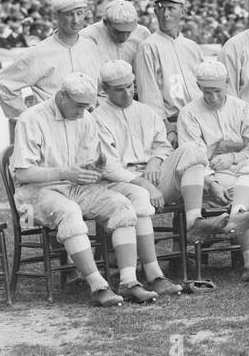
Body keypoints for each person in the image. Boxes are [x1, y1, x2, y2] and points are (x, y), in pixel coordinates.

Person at [9, 72, 161, 306]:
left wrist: (94, 170)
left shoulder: (85, 118)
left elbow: (86, 164)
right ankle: (98, 286)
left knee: (121, 205)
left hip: (74, 186)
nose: (82, 112)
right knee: (69, 211)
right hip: (33, 195)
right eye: (78, 106)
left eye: (86, 107)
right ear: (61, 96)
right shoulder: (31, 118)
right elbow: (22, 173)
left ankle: (129, 283)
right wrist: (65, 172)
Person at [94, 59, 230, 254]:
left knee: (191, 149)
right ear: (105, 89)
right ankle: (141, 262)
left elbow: (163, 145)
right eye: (119, 89)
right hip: (121, 185)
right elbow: (109, 168)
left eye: (129, 86)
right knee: (138, 191)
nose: (126, 93)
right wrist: (146, 185)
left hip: (154, 176)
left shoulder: (146, 111)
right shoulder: (98, 118)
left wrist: (155, 160)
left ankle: (194, 222)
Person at [178, 60, 249, 284]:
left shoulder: (241, 108)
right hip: (209, 175)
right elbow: (193, 157)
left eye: (217, 91)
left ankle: (238, 214)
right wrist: (212, 182)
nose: (212, 98)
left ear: (227, 84)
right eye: (206, 92)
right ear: (199, 87)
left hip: (238, 168)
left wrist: (232, 156)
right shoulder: (189, 113)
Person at [0, 0, 106, 120]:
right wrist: (27, 117)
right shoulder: (39, 52)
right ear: (56, 17)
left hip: (88, 126)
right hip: (52, 127)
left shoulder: (91, 47)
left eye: (79, 13)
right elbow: (3, 83)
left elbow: (101, 89)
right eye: (69, 15)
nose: (75, 20)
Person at [133, 0, 203, 137]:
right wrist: (167, 128)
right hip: (172, 124)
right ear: (155, 11)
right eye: (161, 8)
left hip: (201, 120)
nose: (165, 14)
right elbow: (149, 94)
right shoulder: (148, 46)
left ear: (182, 12)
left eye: (171, 8)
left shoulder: (191, 46)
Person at [81, 0, 151, 65]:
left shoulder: (143, 34)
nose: (124, 37)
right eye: (119, 32)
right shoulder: (88, 37)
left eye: (129, 32)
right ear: (105, 23)